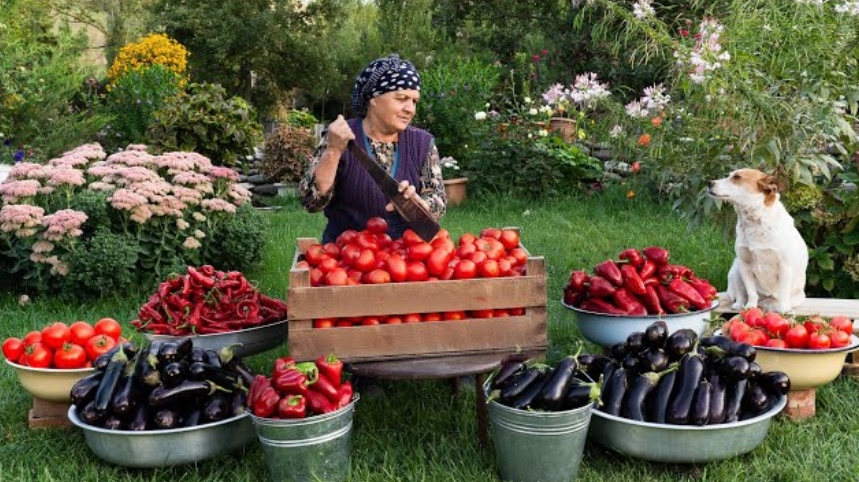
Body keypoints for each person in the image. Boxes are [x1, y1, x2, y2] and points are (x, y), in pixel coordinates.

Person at [298, 54, 446, 243]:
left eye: (414, 101)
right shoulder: (340, 136)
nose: (410, 109)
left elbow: (438, 199)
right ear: (373, 98)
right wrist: (333, 150)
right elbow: (311, 202)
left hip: (405, 258)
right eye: (401, 99)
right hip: (347, 259)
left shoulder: (423, 143)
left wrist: (422, 205)